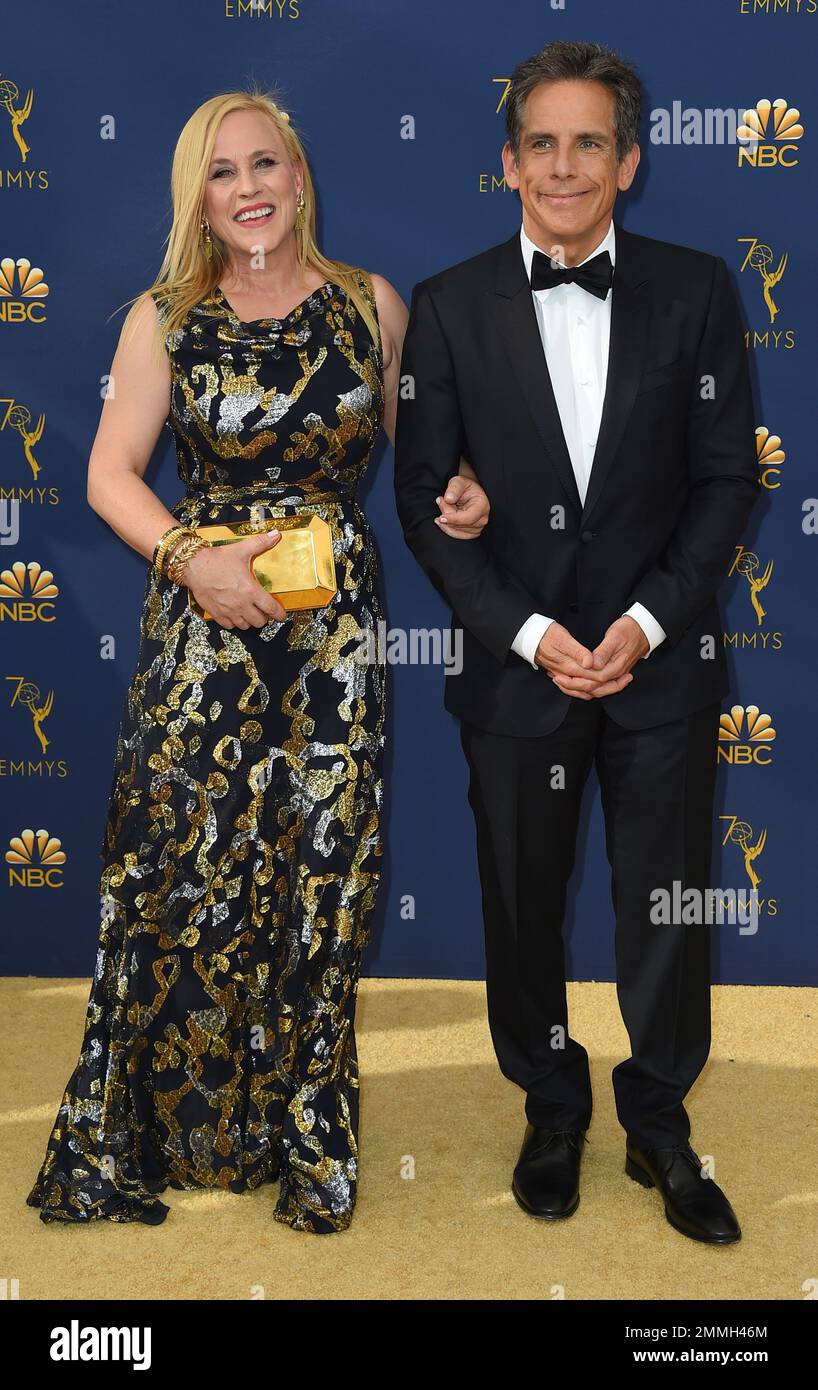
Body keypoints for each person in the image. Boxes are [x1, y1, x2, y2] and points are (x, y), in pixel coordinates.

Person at [26, 88, 491, 1234]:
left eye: (264, 163)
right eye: (223, 172)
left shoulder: (364, 305)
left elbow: (423, 451)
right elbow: (108, 476)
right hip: (204, 638)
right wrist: (195, 561)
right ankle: (148, 1133)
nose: (249, 189)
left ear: (298, 175)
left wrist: (463, 491)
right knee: (180, 877)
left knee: (319, 885)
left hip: (330, 644)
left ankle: (303, 1146)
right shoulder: (164, 318)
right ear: (198, 195)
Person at [395, 40, 760, 1244]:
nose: (564, 165)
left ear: (628, 160)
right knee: (521, 906)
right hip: (517, 672)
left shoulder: (697, 288)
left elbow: (722, 487)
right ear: (507, 164)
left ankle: (659, 1123)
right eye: (540, 143)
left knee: (663, 907)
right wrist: (539, 634)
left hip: (659, 668)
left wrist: (646, 623)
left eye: (587, 142)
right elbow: (422, 502)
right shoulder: (445, 307)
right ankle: (549, 1107)